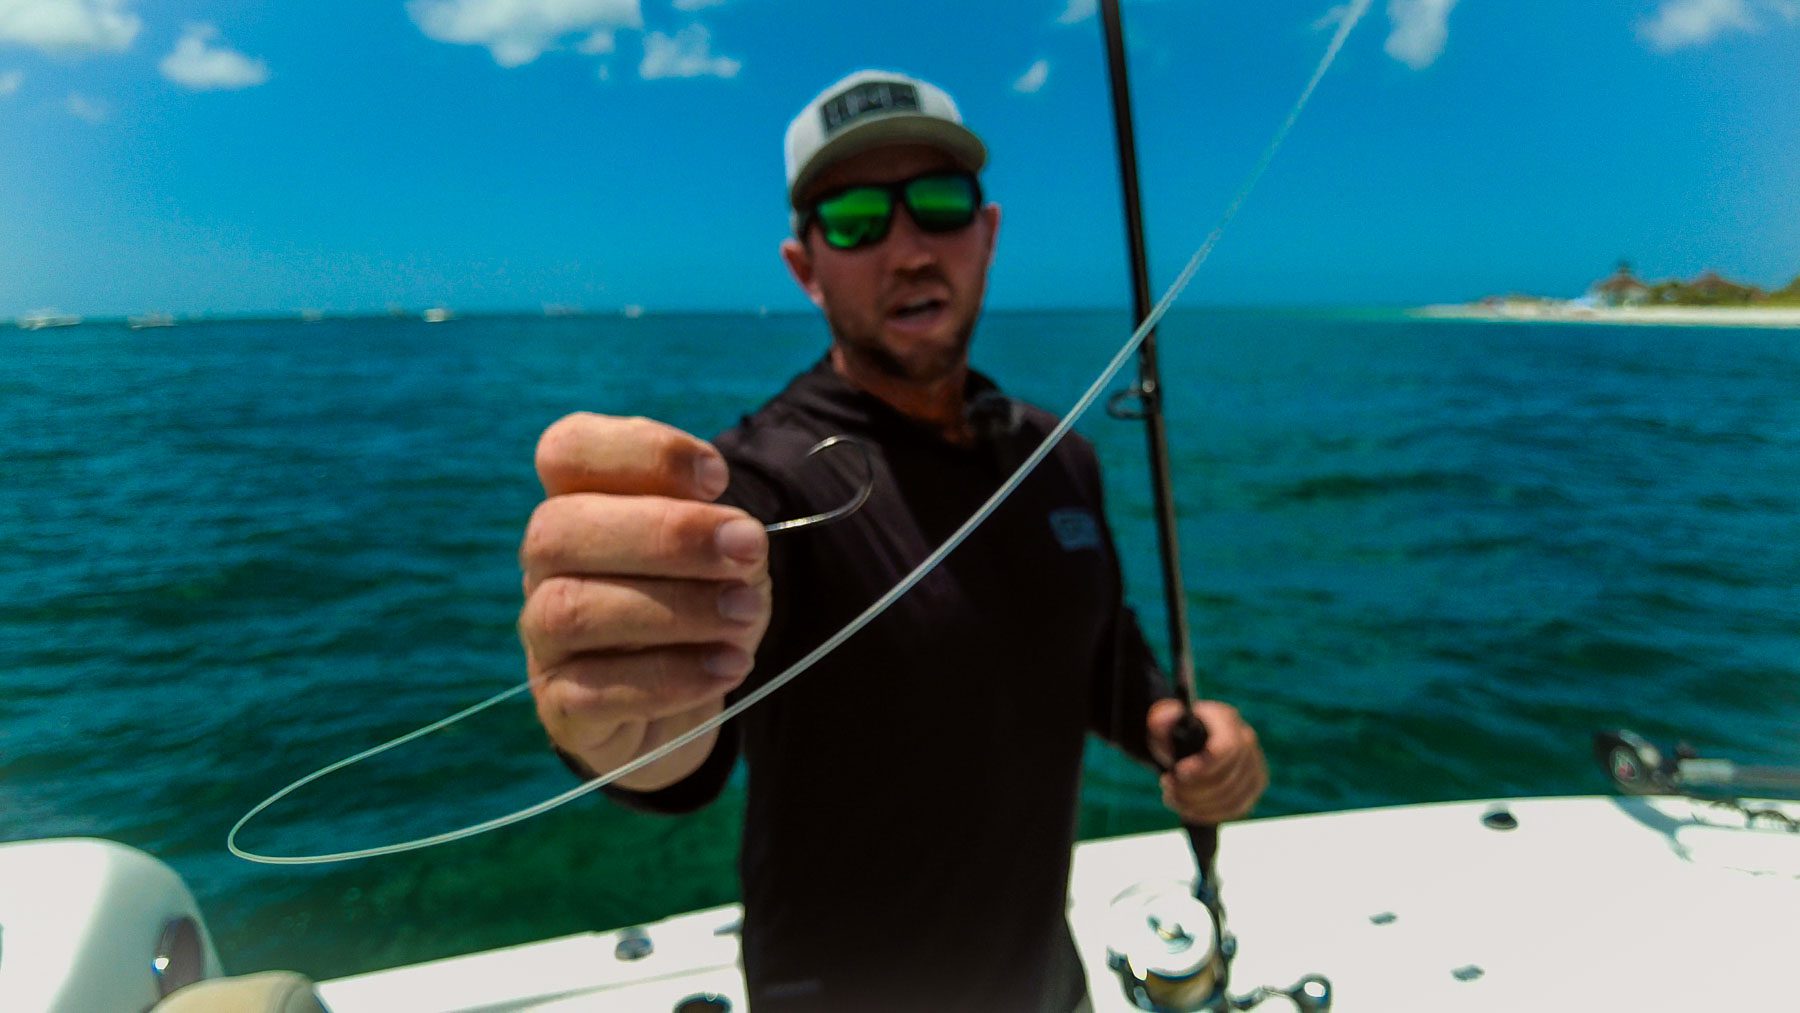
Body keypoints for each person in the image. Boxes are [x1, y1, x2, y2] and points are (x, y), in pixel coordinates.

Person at [519, 70, 1267, 1012]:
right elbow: (682, 744)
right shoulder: (767, 479)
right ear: (806, 266)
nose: (908, 248)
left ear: (987, 236)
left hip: (1044, 976)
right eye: (859, 217)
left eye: (940, 205)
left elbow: (1099, 641)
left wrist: (1168, 722)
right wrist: (629, 715)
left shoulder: (1060, 452)